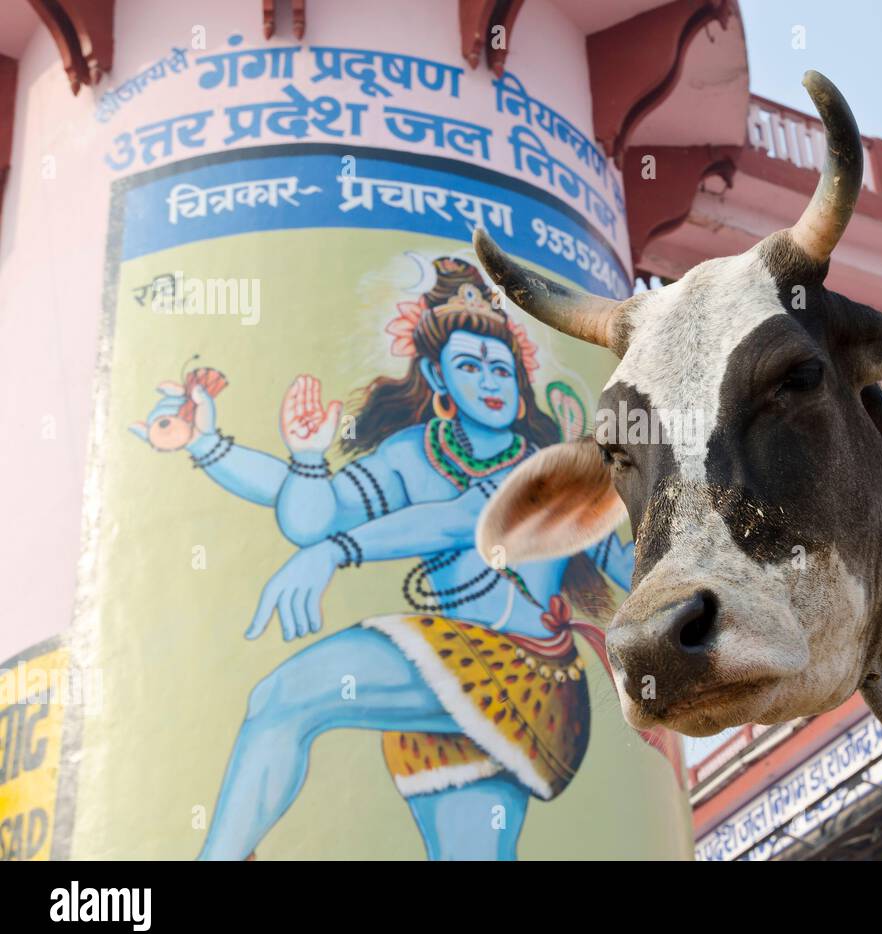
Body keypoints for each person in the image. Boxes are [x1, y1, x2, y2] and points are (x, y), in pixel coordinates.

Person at [133, 256, 670, 860]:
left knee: (285, 698)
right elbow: (314, 513)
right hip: (455, 683)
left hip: (526, 676)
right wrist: (219, 445)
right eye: (468, 366)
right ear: (439, 382)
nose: (490, 380)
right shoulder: (413, 455)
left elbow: (472, 519)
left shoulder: (553, 468)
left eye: (501, 367)